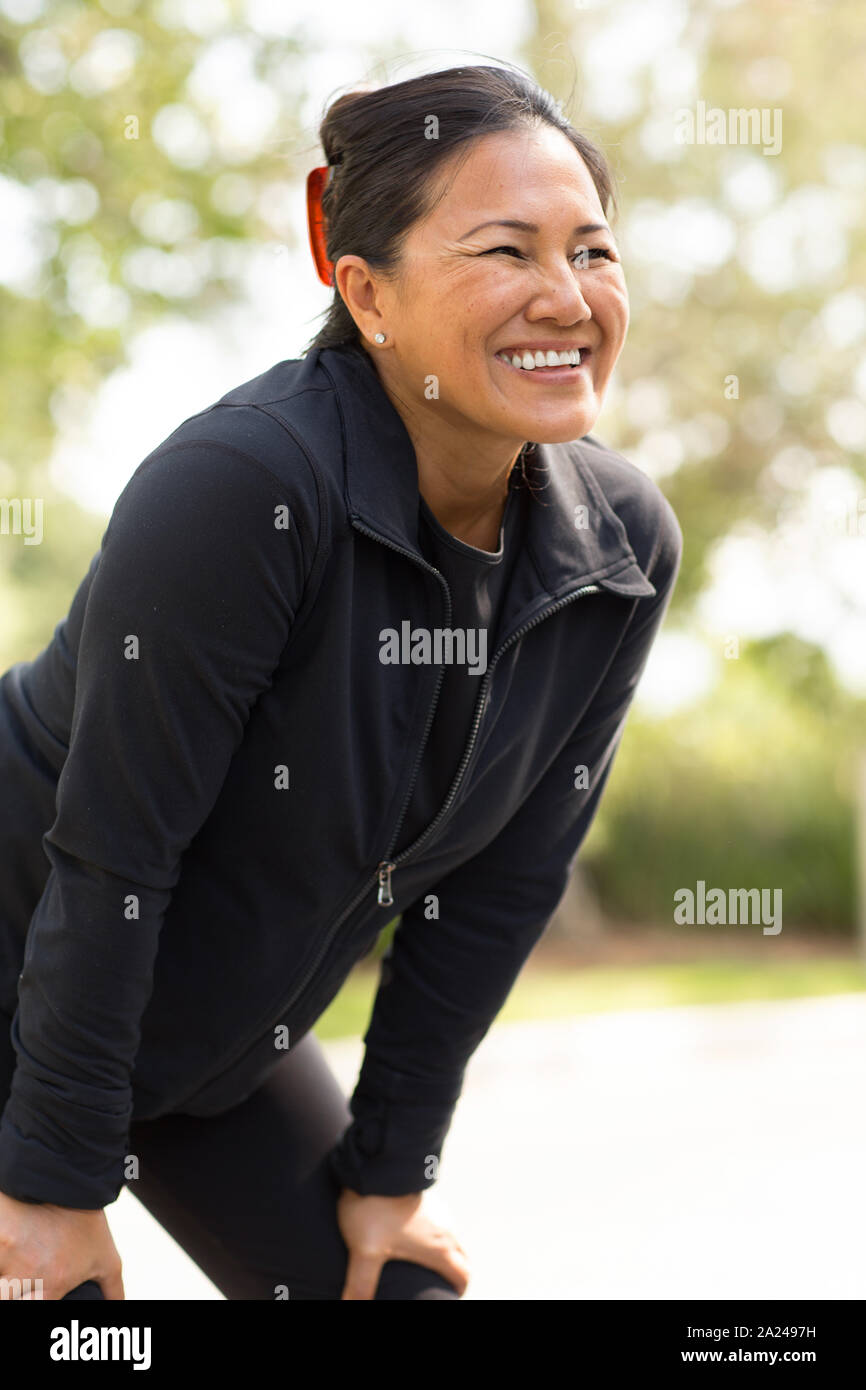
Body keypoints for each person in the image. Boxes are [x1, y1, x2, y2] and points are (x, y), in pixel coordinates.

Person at [0, 61, 681, 1301]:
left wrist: (390, 1169)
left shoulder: (617, 547)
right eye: (504, 251)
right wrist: (53, 1187)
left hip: (211, 1038)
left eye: (590, 250)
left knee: (397, 1295)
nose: (563, 296)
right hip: (38, 963)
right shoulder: (242, 487)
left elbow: (496, 890)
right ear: (364, 293)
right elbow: (113, 861)